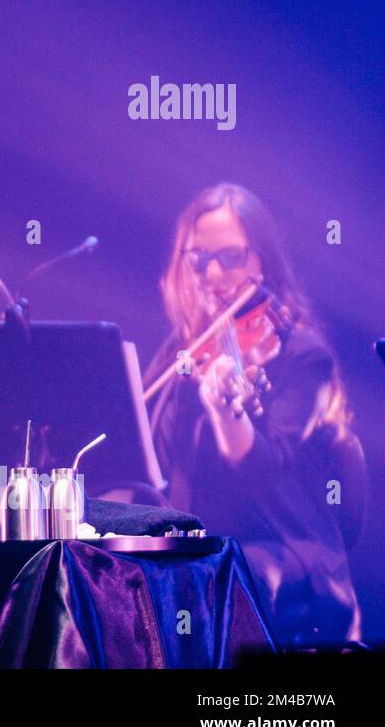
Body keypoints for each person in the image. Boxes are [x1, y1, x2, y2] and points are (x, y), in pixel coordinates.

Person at [144, 183, 364, 649]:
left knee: (204, 589)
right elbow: (152, 461)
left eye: (231, 257)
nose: (214, 273)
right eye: (199, 259)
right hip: (205, 552)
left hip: (290, 560)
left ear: (261, 260)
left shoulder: (302, 356)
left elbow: (257, 473)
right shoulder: (181, 353)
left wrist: (224, 408)